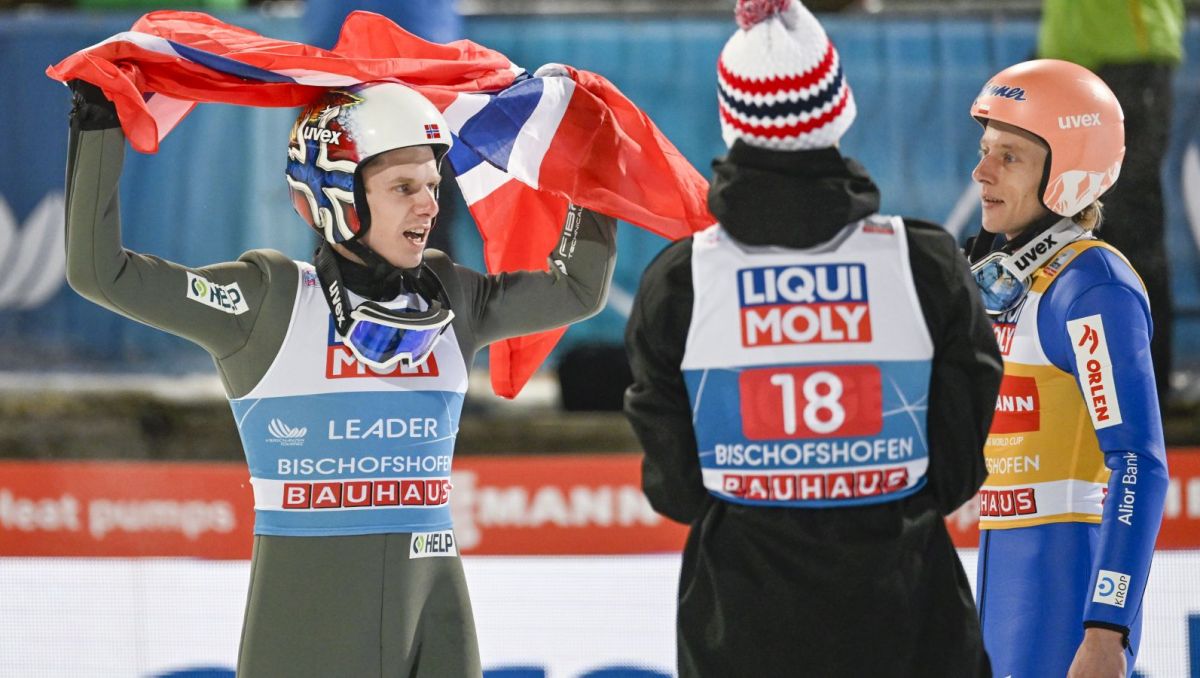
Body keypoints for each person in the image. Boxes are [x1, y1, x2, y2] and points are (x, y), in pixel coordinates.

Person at [64, 79, 616, 677]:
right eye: (404, 187)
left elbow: (577, 289)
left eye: (433, 185)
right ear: (338, 194)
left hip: (435, 615)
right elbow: (100, 272)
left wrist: (585, 148)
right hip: (306, 628)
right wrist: (99, 117)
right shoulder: (268, 301)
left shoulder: (452, 296)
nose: (430, 206)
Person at [622, 1, 1002, 675]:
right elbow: (957, 471)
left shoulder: (681, 281)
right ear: (838, 111)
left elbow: (676, 490)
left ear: (733, 122)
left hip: (740, 632)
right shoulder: (925, 265)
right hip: (910, 623)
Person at [965, 59, 1170, 677]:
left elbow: (1137, 462)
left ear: (1067, 174)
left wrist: (1107, 627)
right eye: (985, 150)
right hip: (1002, 571)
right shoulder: (1011, 278)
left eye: (1010, 157)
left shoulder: (1091, 287)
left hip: (1061, 585)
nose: (982, 172)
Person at [1039, 0, 1184, 408]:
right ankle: (1079, 382)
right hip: (1068, 63)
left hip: (1126, 59)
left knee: (1130, 232)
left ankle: (1147, 392)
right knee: (1060, 233)